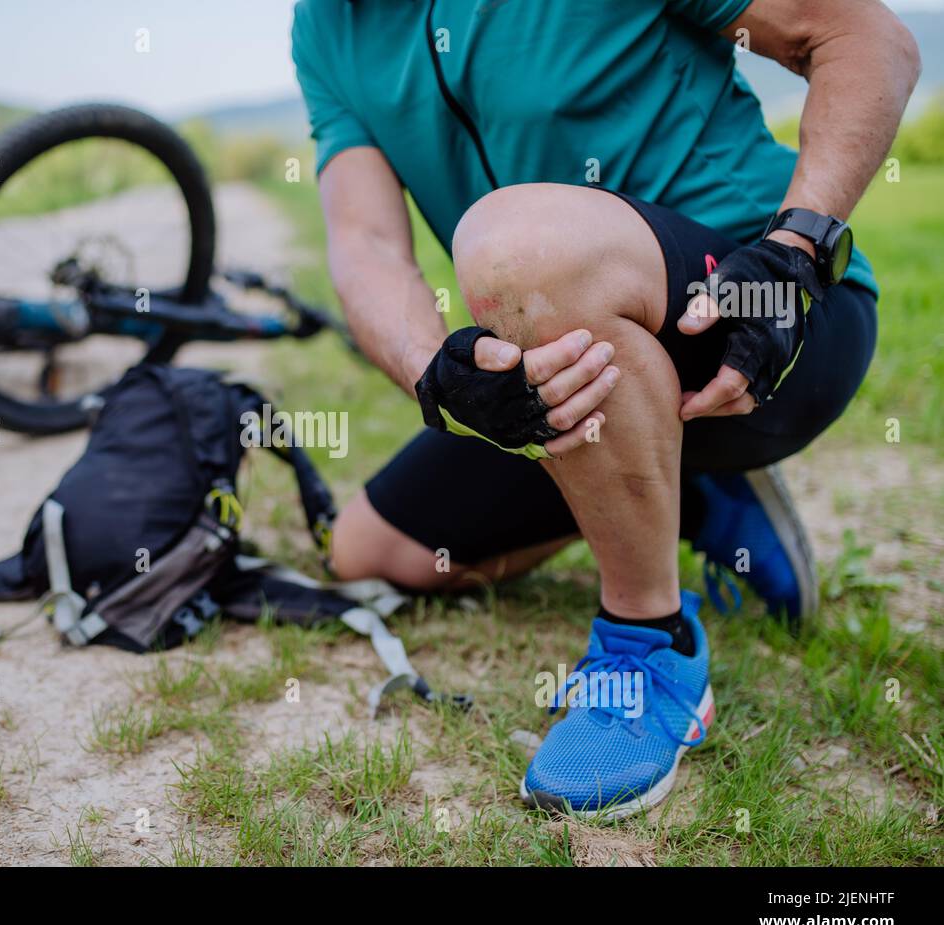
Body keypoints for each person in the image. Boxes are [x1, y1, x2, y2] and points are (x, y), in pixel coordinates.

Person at [292, 0, 919, 817]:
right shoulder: (326, 25)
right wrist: (435, 375)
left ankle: (647, 645)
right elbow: (365, 241)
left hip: (759, 314)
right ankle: (689, 492)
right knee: (374, 551)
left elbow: (867, 40)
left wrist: (794, 251)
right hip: (573, 370)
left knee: (518, 245)